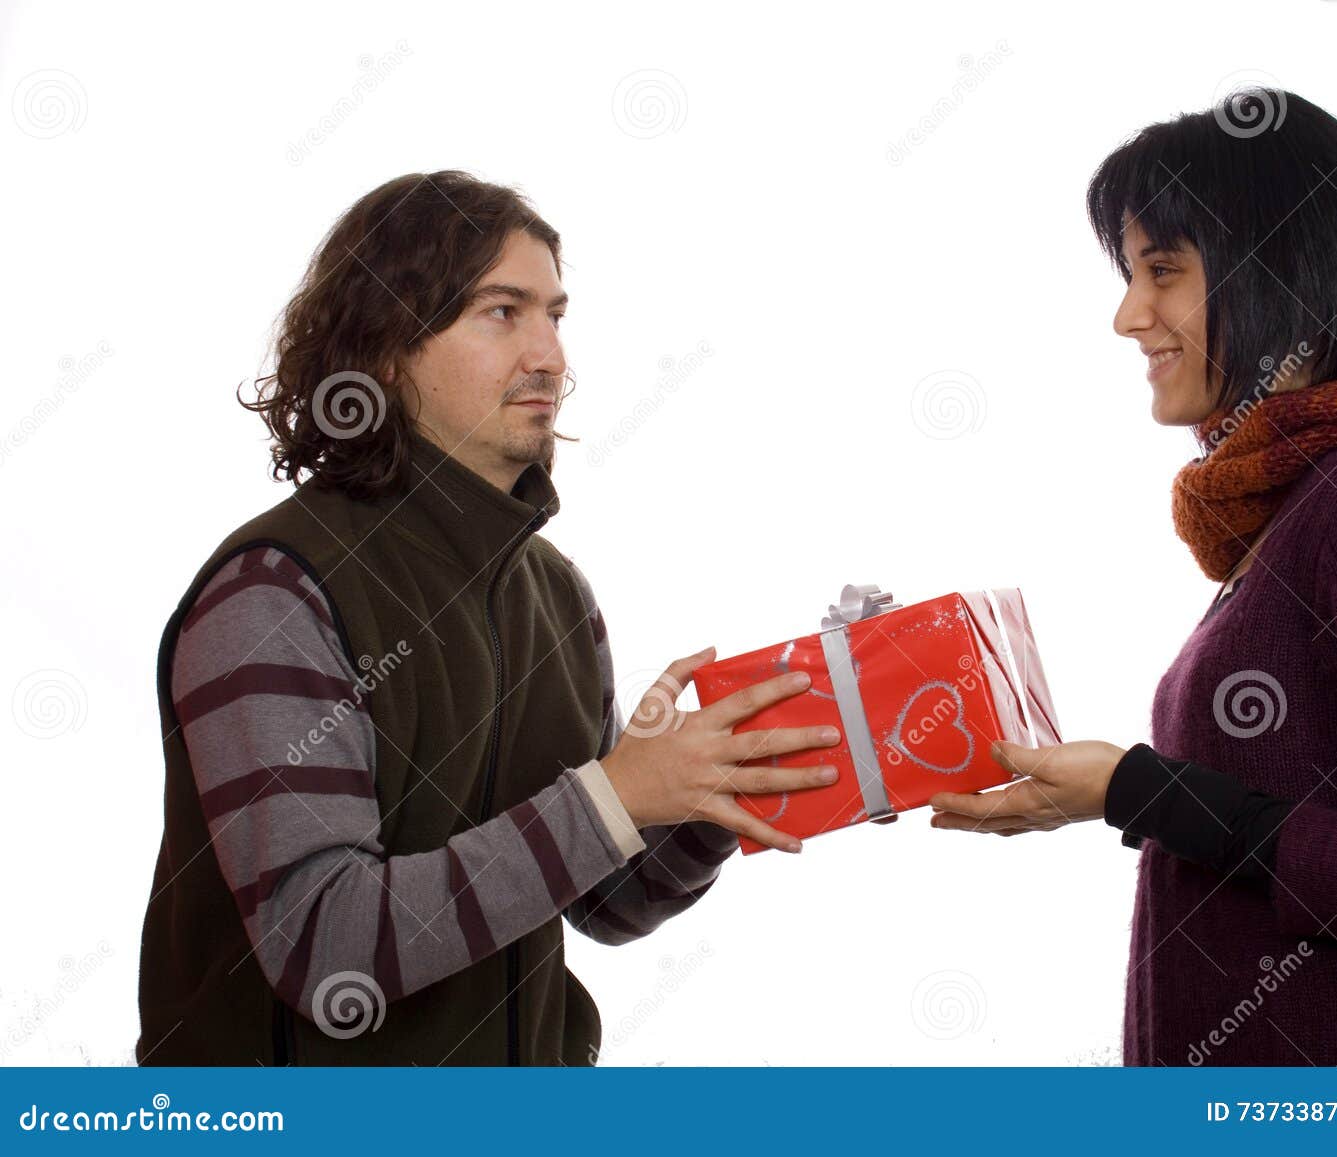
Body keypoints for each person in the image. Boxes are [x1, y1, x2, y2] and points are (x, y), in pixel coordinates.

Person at [929, 90, 1337, 1066]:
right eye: (1130, 274)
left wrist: (1135, 786)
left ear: (1280, 270)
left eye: (1164, 271)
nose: (1127, 315)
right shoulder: (1299, 510)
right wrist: (1109, 791)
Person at [136, 171, 840, 1066]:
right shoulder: (274, 593)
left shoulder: (556, 595)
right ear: (387, 348)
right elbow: (325, 947)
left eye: (556, 314)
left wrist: (706, 792)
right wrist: (617, 794)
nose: (552, 357)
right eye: (502, 312)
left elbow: (606, 899)